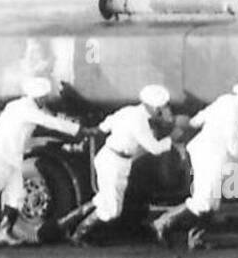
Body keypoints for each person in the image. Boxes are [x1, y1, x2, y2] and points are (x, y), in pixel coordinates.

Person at [0, 77, 82, 249]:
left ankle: (4, 233)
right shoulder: (25, 110)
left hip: (12, 157)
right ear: (37, 97)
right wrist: (78, 130)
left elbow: (49, 115)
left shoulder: (24, 106)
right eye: (44, 97)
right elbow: (50, 121)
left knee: (16, 195)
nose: (46, 99)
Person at [151, 77, 238, 250]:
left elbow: (198, 119)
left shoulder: (225, 100)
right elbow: (233, 146)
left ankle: (196, 239)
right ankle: (164, 222)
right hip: (211, 155)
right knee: (203, 202)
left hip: (206, 152)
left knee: (211, 202)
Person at [70, 85, 174, 247]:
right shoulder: (139, 123)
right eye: (163, 107)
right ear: (155, 107)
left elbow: (106, 125)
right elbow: (154, 148)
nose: (165, 109)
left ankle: (65, 224)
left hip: (113, 159)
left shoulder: (128, 111)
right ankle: (80, 234)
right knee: (112, 210)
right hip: (114, 163)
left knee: (103, 200)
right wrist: (171, 140)